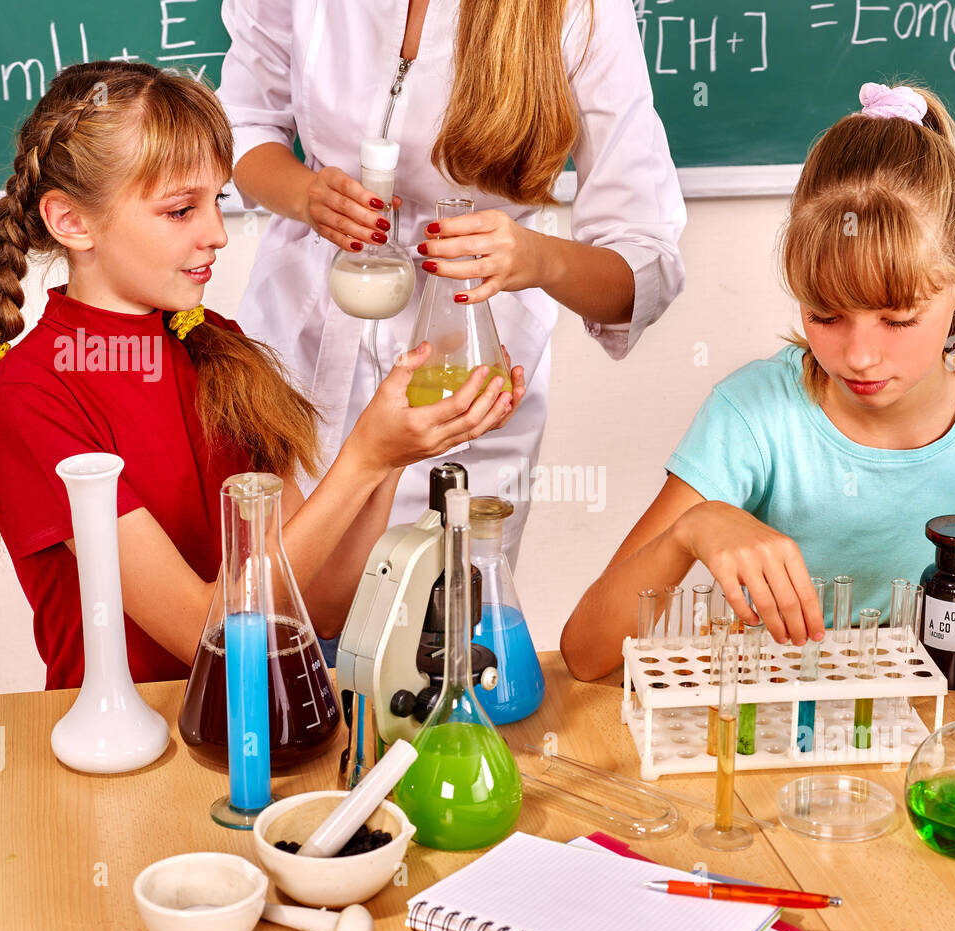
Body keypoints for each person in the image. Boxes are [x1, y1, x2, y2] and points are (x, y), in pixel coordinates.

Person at [0, 61, 520, 690]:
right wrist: (363, 458)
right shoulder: (32, 397)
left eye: (217, 201)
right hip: (132, 755)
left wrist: (396, 454)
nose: (216, 234)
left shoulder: (216, 348)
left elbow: (323, 607)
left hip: (260, 721)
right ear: (71, 221)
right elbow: (211, 636)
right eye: (181, 210)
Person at [560, 83, 955, 681]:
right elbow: (584, 652)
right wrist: (691, 531)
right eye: (825, 315)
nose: (859, 356)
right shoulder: (754, 415)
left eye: (898, 319)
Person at [218, 0, 686, 562]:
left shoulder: (581, 11)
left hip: (460, 382)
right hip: (288, 360)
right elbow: (242, 125)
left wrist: (534, 259)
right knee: (271, 612)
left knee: (435, 625)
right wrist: (306, 196)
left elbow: (643, 267)